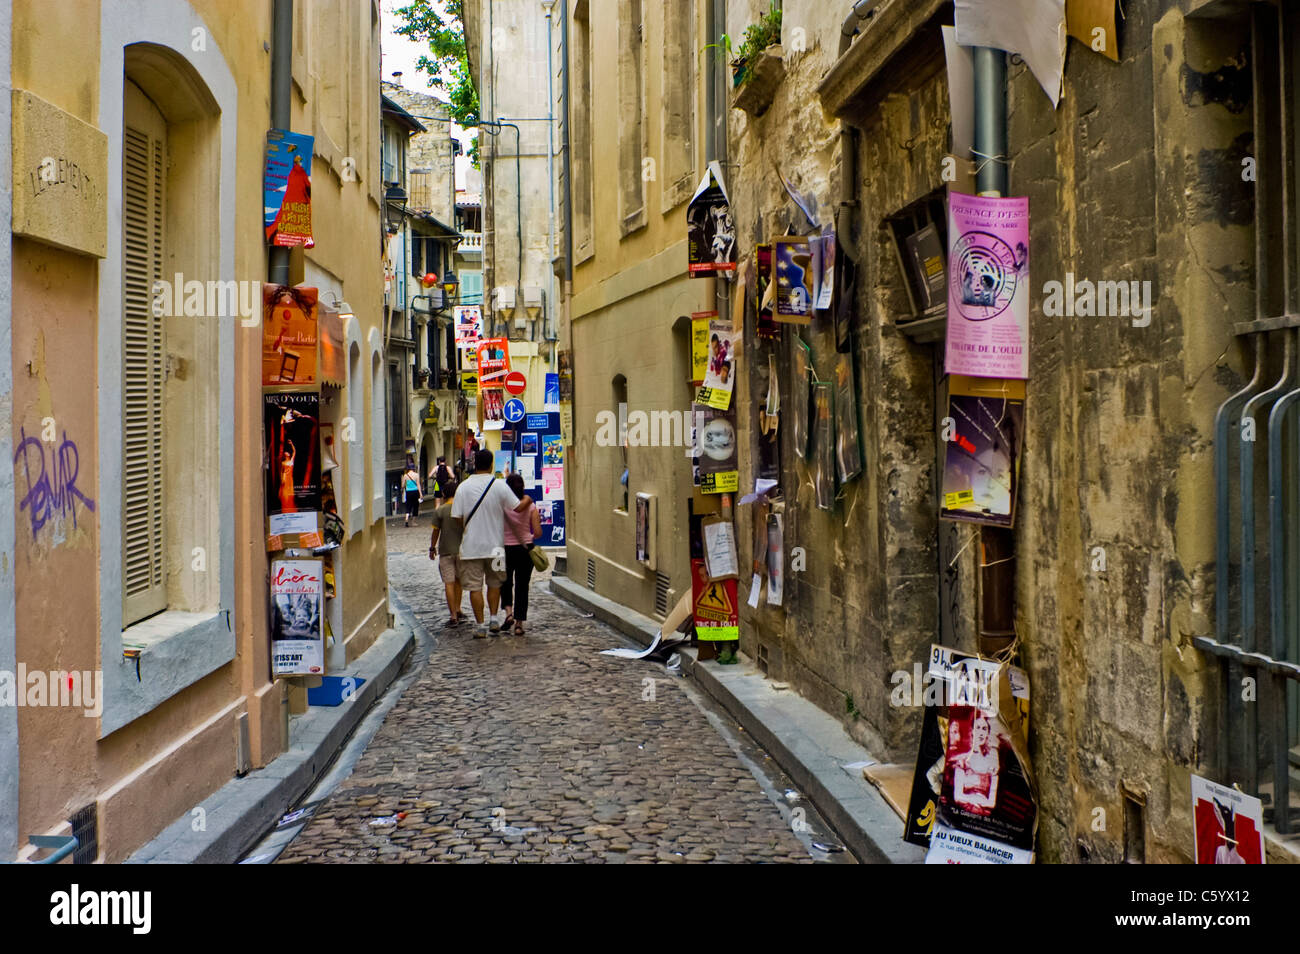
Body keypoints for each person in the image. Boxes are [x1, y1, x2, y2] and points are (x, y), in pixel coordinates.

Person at [451, 448, 530, 638]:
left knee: (475, 587)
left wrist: (468, 529)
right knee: (495, 583)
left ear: (474, 464)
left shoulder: (463, 487)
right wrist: (528, 499)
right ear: (491, 464)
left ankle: (480, 626)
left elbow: (456, 517)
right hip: (495, 547)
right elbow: (517, 508)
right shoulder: (500, 485)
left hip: (471, 548)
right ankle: (494, 618)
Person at [499, 472, 542, 636]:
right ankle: (518, 624)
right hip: (525, 549)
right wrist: (529, 537)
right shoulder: (530, 506)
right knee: (522, 586)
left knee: (505, 582)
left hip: (505, 548)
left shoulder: (502, 506)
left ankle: (508, 613)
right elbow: (537, 532)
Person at [428, 479, 467, 627]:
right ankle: (458, 608)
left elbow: (435, 532)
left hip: (446, 551)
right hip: (462, 551)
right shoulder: (462, 510)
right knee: (458, 582)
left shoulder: (441, 511)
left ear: (444, 493)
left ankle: (453, 616)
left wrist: (432, 548)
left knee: (448, 583)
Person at [402, 462, 423, 527]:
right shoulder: (416, 475)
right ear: (413, 468)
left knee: (408, 506)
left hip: (408, 492)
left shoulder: (405, 476)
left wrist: (404, 487)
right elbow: (418, 484)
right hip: (415, 491)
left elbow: (402, 485)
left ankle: (406, 519)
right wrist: (420, 493)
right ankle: (413, 522)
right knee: (415, 506)